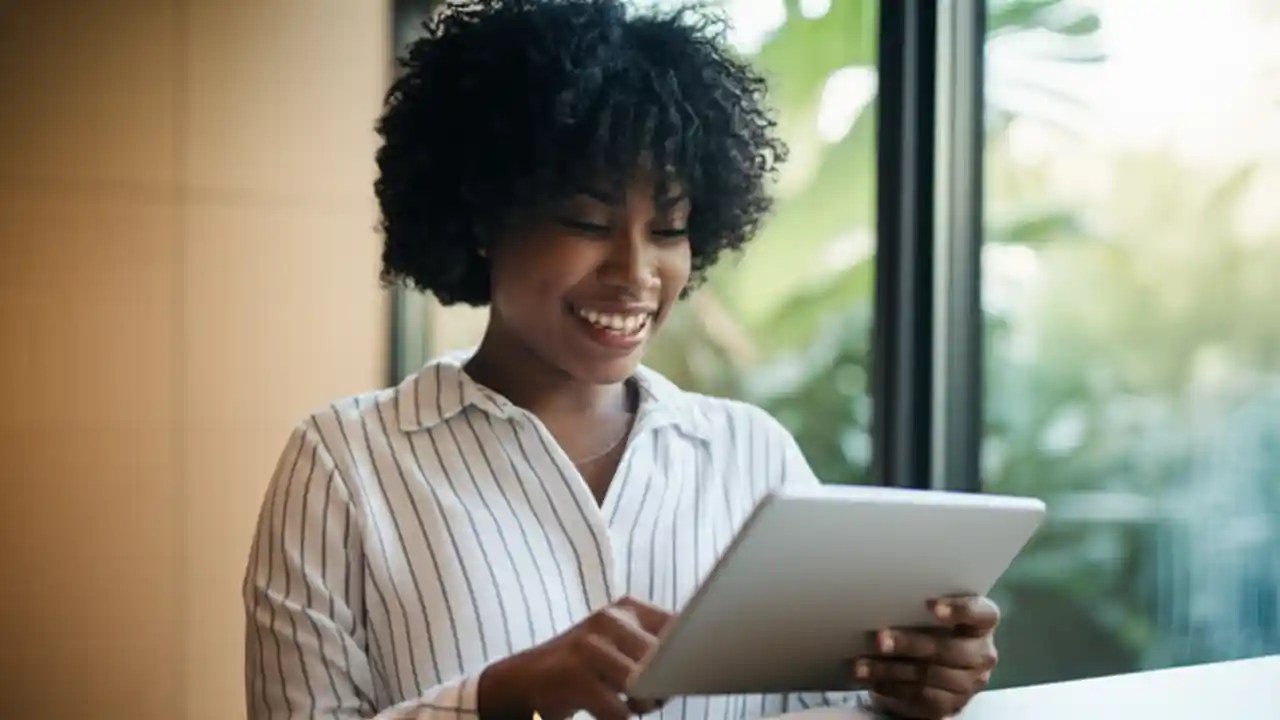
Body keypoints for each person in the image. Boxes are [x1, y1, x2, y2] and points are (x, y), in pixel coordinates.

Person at [243, 1, 1000, 718]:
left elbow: (818, 705)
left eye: (669, 229)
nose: (637, 271)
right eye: (587, 222)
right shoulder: (346, 464)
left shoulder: (751, 455)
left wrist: (905, 692)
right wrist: (507, 696)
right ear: (482, 218)